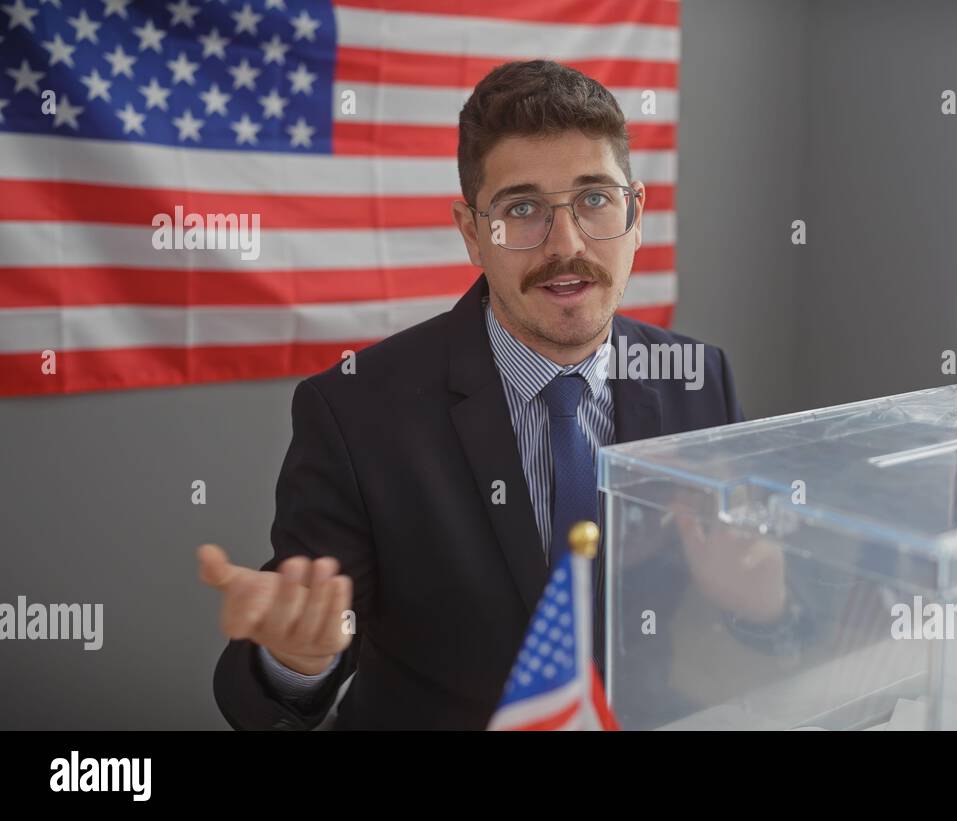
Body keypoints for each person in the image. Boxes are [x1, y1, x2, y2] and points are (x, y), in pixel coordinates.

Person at [196, 60, 757, 730]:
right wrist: (294, 658)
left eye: (595, 199)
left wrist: (766, 607)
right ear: (472, 233)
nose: (567, 243)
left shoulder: (701, 380)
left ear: (635, 214)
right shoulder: (355, 413)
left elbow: (754, 608)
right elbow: (270, 687)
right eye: (522, 209)